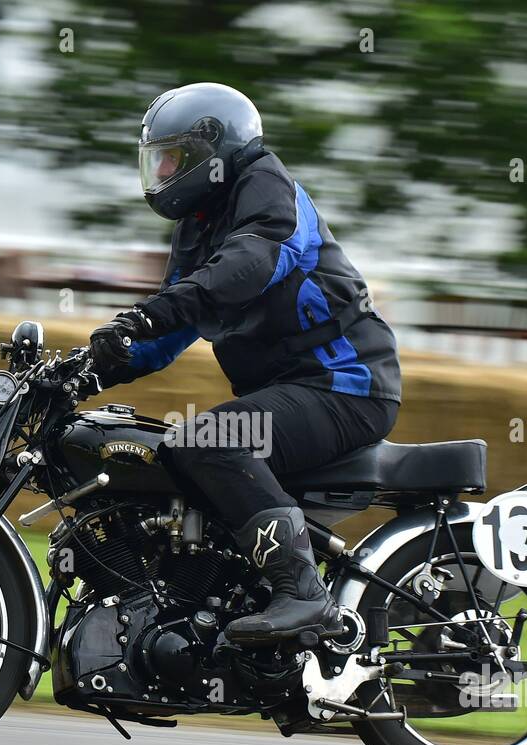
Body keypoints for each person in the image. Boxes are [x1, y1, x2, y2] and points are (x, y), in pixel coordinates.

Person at [89, 82, 401, 644]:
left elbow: (246, 267)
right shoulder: (200, 224)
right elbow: (170, 331)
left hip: (343, 385)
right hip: (293, 390)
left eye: (171, 159)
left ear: (213, 153)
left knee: (207, 440)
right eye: (156, 160)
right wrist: (90, 367)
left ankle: (305, 594)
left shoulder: (266, 189)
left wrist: (145, 314)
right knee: (171, 450)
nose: (160, 173)